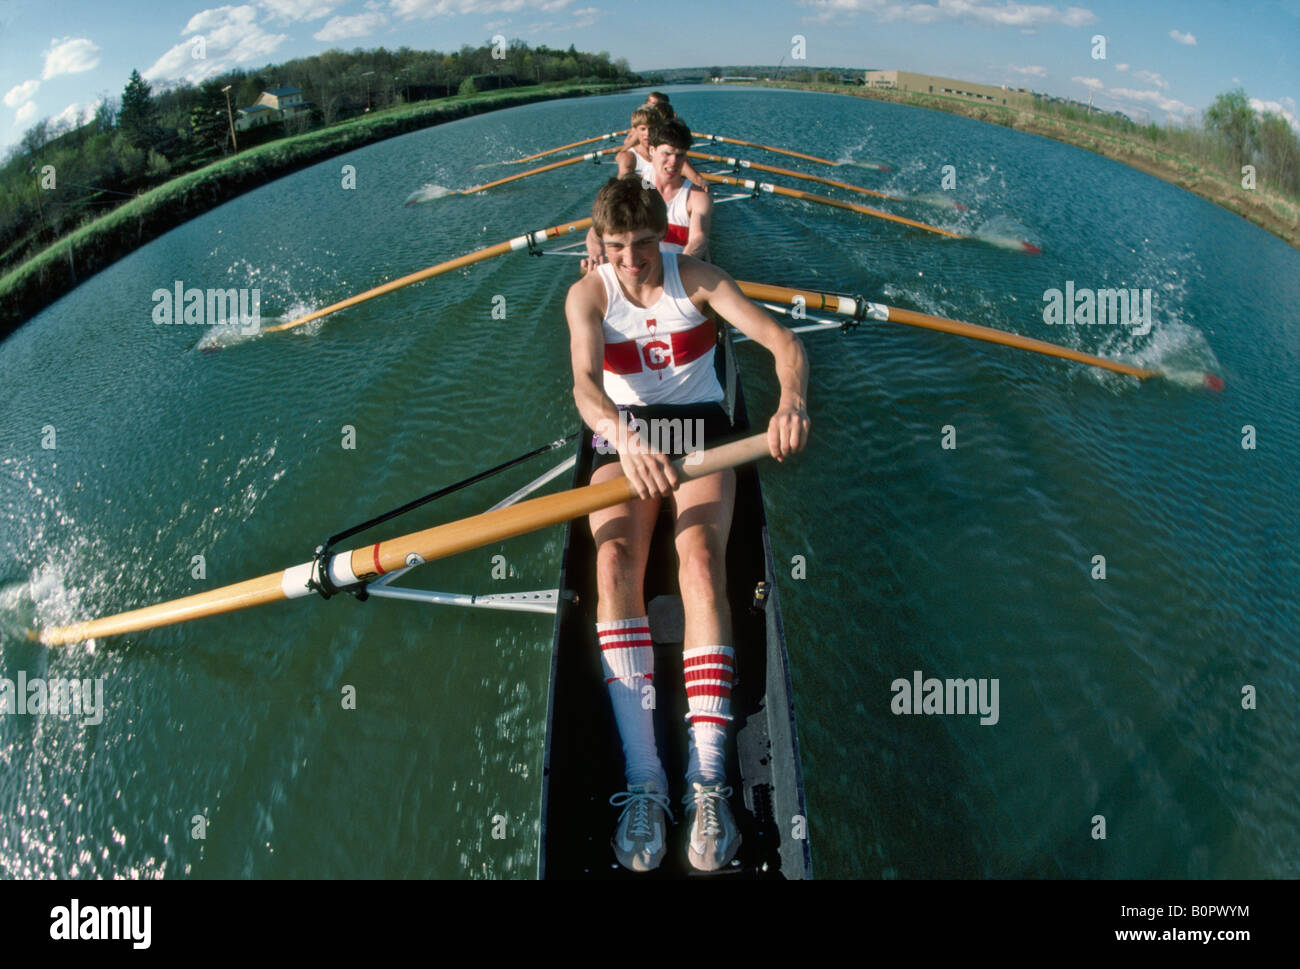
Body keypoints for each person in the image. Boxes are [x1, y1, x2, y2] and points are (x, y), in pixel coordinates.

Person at [565, 174, 810, 872]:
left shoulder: (697, 277)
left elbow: (784, 344)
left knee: (700, 563)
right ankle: (646, 780)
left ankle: (707, 781)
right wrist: (624, 432)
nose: (633, 261)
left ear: (663, 235)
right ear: (602, 244)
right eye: (617, 247)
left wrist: (789, 401)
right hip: (626, 437)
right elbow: (584, 385)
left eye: (644, 244)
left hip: (704, 436)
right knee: (614, 569)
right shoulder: (588, 294)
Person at [585, 119, 713, 272]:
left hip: (676, 272)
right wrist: (596, 254)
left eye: (680, 155)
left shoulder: (696, 196)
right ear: (652, 151)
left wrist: (673, 271)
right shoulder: (635, 186)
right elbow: (594, 233)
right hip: (636, 270)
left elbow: (698, 240)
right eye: (667, 153)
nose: (673, 162)